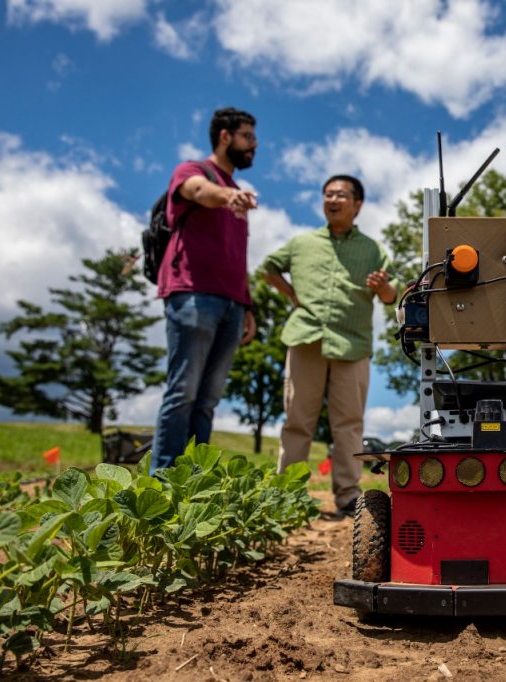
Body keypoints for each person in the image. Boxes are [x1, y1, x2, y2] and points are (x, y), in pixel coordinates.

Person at [263, 175, 397, 517]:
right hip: (305, 338)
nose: (332, 199)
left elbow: (392, 296)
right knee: (297, 420)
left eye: (340, 194)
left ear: (357, 204)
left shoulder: (373, 249)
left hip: (352, 344)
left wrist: (382, 286)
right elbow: (268, 268)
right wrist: (292, 295)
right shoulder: (301, 243)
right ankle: (287, 496)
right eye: (327, 194)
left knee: (349, 423)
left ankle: (348, 496)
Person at [150, 107, 259, 472]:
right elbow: (199, 191)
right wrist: (228, 197)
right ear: (225, 136)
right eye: (247, 136)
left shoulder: (235, 193)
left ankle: (194, 481)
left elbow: (236, 257)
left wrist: (248, 307)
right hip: (193, 295)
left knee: (208, 400)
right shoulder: (193, 172)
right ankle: (163, 479)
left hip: (232, 304)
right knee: (182, 392)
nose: (254, 145)